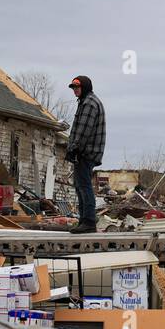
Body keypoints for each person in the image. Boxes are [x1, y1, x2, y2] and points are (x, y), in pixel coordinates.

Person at [65, 75, 105, 233]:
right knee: (80, 185)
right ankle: (84, 220)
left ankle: (88, 221)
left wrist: (74, 148)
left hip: (85, 151)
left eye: (77, 87)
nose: (75, 91)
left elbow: (83, 131)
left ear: (85, 87)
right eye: (73, 88)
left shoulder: (89, 104)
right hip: (86, 151)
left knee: (84, 186)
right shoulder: (86, 101)